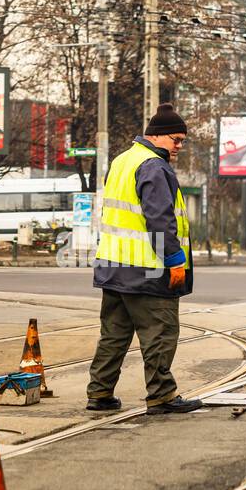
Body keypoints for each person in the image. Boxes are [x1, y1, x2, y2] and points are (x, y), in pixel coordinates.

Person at [86, 103, 202, 415]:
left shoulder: (123, 160)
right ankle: (162, 396)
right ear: (158, 136)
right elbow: (160, 220)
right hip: (148, 269)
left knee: (114, 334)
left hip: (113, 266)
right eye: (176, 140)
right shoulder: (154, 166)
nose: (179, 147)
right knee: (160, 332)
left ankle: (99, 393)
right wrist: (176, 260)